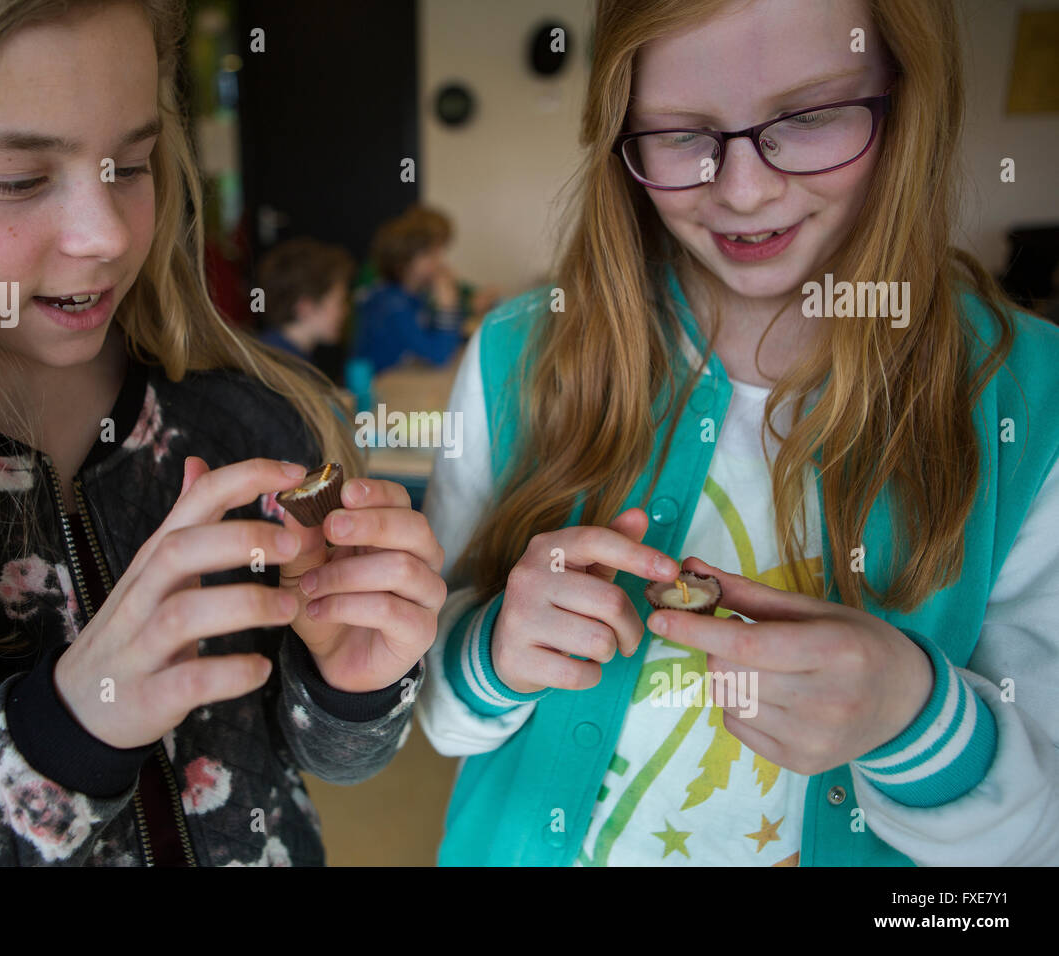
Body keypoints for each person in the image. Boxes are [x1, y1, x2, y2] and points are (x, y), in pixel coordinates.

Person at [0, 0, 446, 866]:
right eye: (18, 178)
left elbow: (331, 757)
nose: (106, 234)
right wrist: (66, 736)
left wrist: (353, 687)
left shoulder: (253, 416)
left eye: (133, 163)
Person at [417, 0, 1059, 866]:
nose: (745, 190)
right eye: (680, 134)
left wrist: (912, 714)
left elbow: (1036, 829)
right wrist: (491, 651)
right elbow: (440, 709)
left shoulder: (1032, 399)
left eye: (812, 116)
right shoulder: (516, 355)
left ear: (905, 99)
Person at [353, 205, 487, 373]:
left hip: (398, 383)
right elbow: (439, 356)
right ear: (404, 260)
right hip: (378, 394)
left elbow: (443, 340)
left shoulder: (413, 297)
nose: (439, 262)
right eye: (430, 255)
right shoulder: (392, 304)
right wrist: (447, 306)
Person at [255, 238, 355, 365]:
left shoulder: (268, 351)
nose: (346, 310)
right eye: (339, 302)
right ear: (305, 307)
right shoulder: (288, 367)